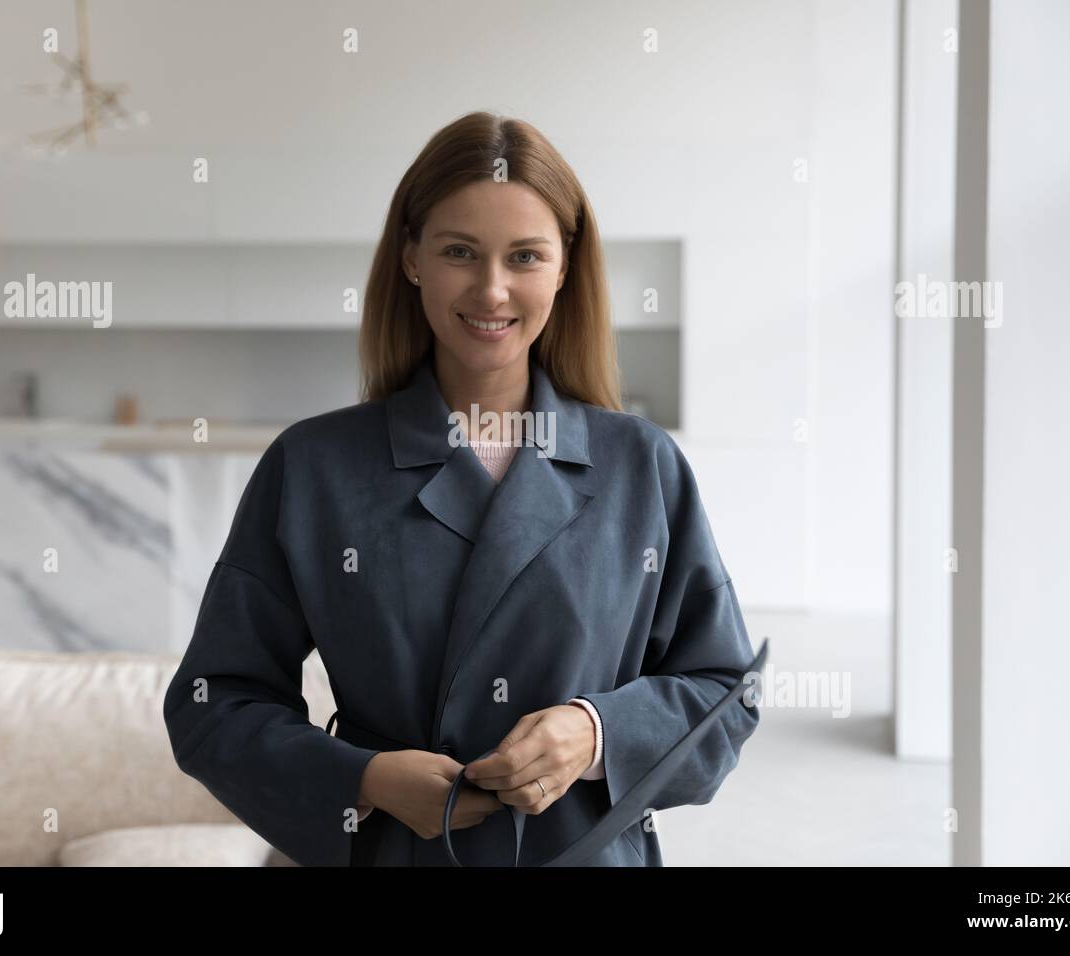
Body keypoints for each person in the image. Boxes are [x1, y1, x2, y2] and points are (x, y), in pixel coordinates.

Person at [162, 111, 760, 866]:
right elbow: (213, 703)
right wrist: (367, 779)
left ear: (566, 266)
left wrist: (597, 732)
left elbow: (726, 692)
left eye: (525, 256)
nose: (492, 289)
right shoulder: (313, 466)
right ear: (411, 257)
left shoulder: (641, 465)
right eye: (459, 252)